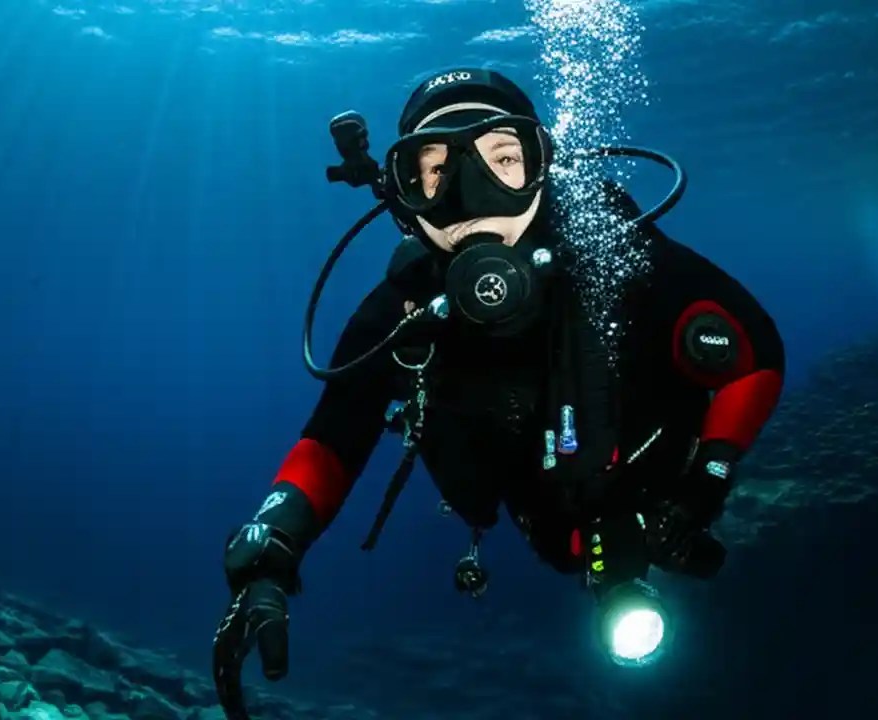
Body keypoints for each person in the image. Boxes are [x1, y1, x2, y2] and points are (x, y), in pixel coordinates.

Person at [212, 68, 785, 718]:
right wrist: (272, 542)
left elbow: (754, 354)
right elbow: (332, 436)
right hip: (539, 503)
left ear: (541, 169)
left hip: (649, 469)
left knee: (594, 546)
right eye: (436, 171)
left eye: (503, 159)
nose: (472, 198)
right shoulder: (400, 312)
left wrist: (705, 482)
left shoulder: (610, 251)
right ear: (403, 194)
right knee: (564, 549)